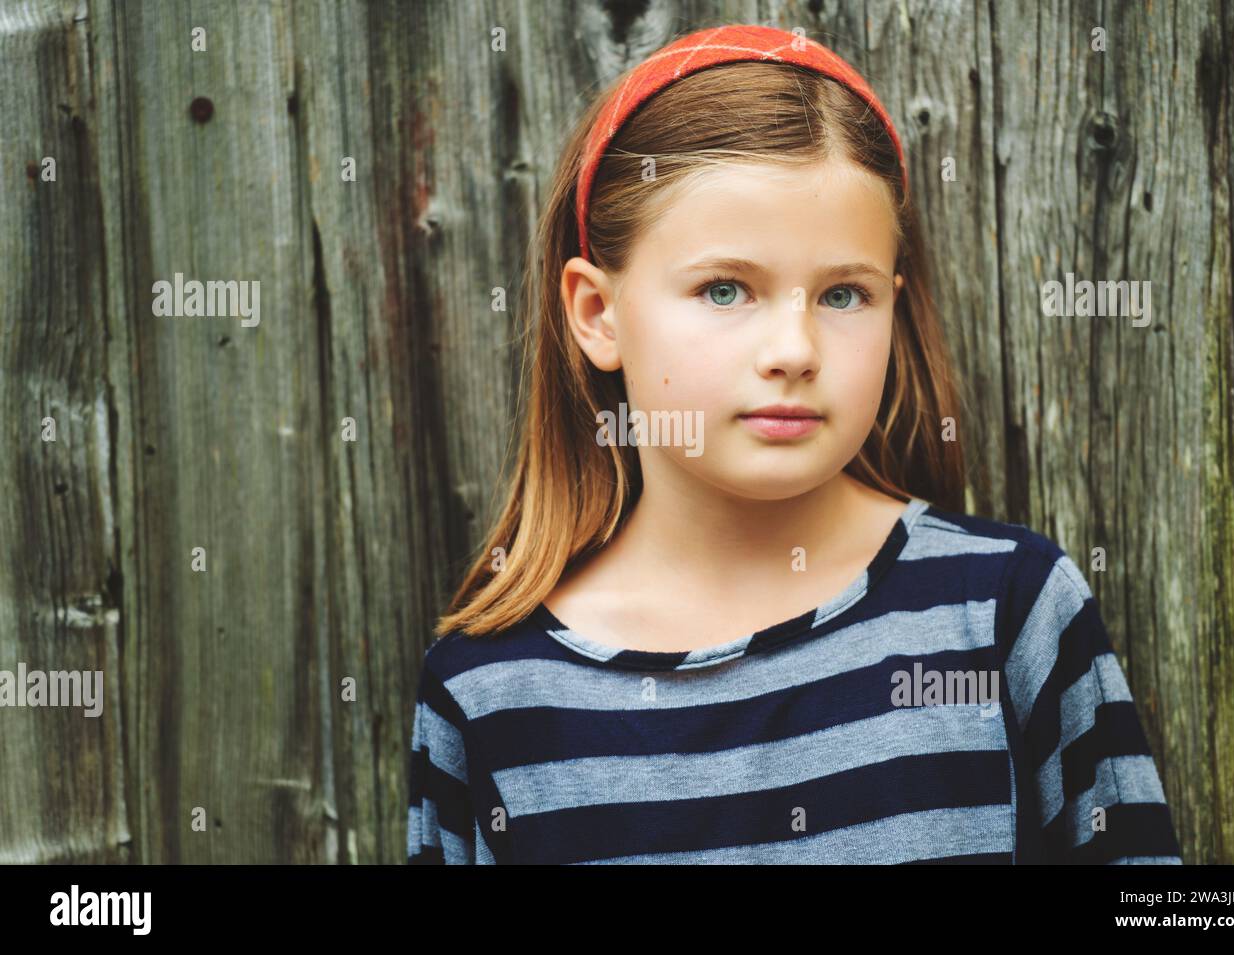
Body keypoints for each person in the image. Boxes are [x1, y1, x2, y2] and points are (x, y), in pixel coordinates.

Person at [406, 24, 1182, 864]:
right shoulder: (488, 692)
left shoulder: (1007, 615)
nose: (795, 349)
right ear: (597, 314)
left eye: (843, 295)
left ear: (893, 301)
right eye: (726, 288)